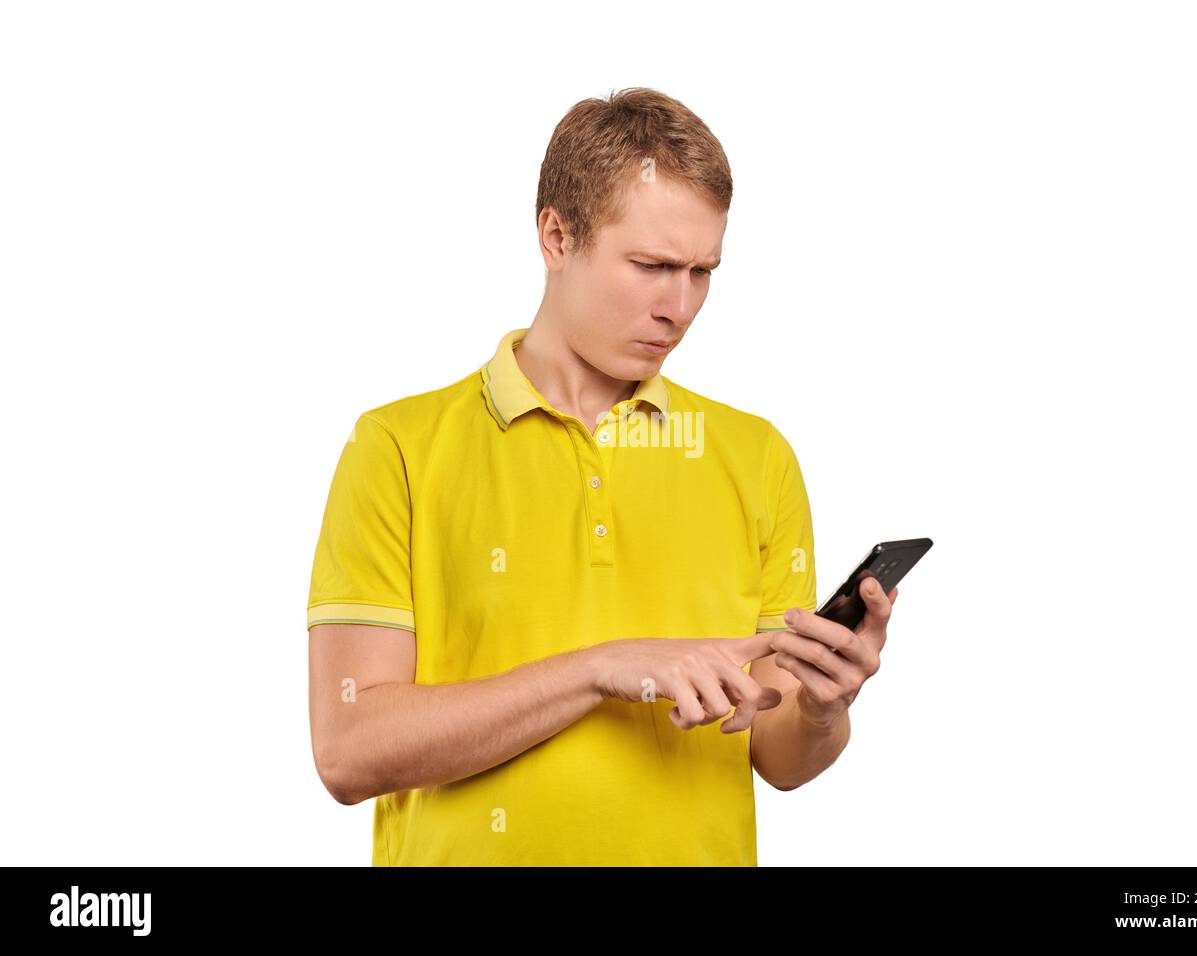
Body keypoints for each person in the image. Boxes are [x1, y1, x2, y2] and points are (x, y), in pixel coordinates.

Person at [305, 87, 898, 866]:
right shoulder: (397, 448)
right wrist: (600, 670)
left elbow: (780, 758)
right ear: (556, 235)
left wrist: (825, 707)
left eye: (702, 272)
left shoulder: (757, 457)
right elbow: (350, 752)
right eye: (652, 265)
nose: (678, 307)